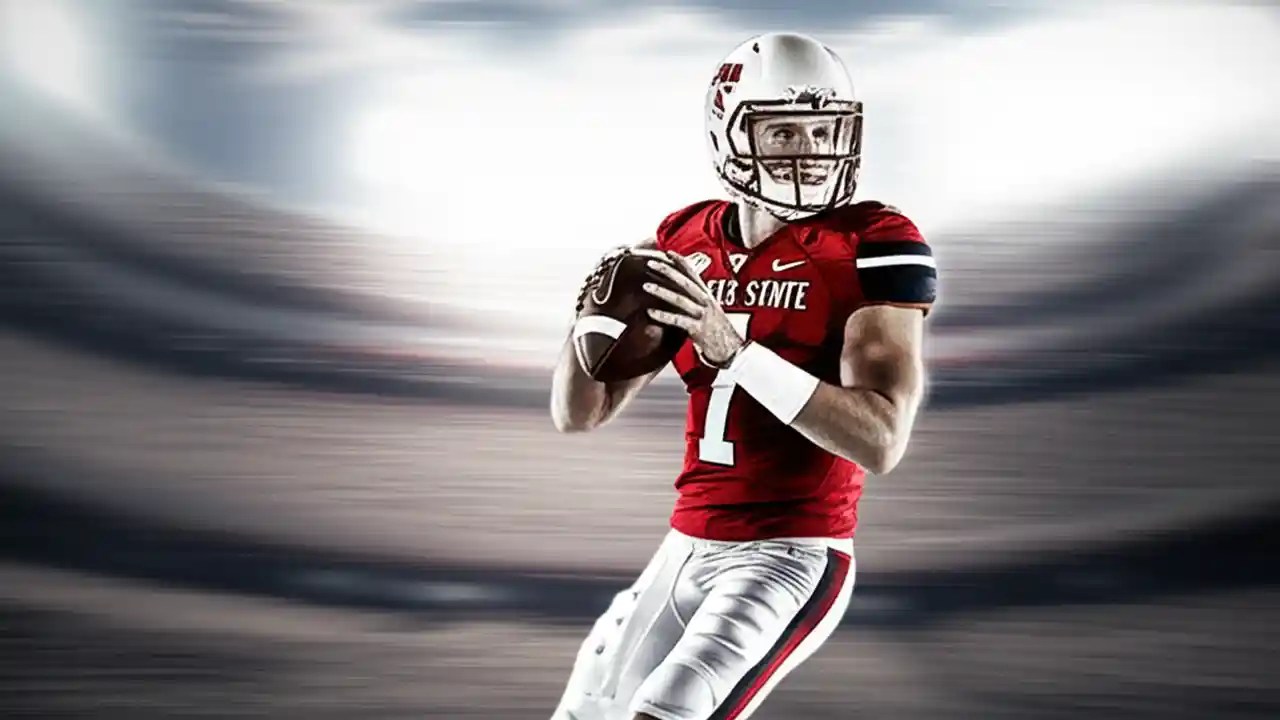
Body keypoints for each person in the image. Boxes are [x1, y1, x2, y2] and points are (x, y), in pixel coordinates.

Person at [549, 31, 937, 720]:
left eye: (824, 128)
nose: (810, 150)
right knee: (587, 710)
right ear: (727, 132)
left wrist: (736, 351)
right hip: (686, 542)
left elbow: (881, 441)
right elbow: (578, 414)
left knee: (670, 710)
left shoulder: (871, 242)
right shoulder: (683, 239)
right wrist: (588, 325)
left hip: (790, 552)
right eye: (783, 130)